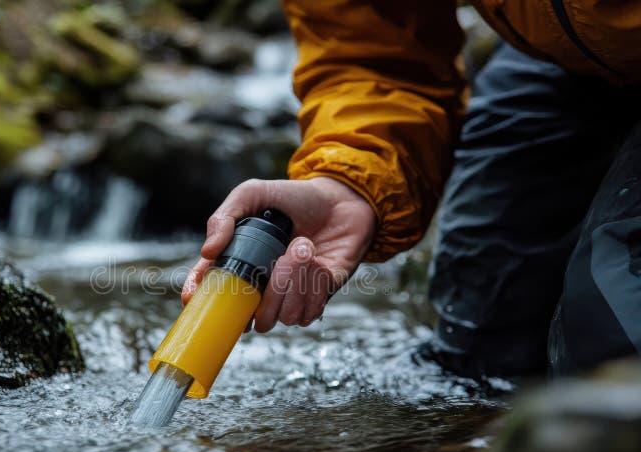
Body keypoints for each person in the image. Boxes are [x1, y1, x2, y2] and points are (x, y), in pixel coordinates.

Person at [182, 1, 641, 380]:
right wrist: (346, 179)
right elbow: (375, 51)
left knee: (611, 330)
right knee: (479, 343)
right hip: (571, 46)